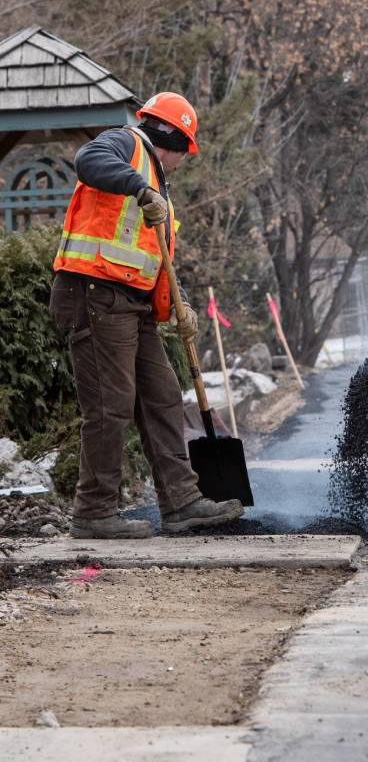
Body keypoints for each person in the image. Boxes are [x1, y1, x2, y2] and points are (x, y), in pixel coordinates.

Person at [50, 92, 244, 538]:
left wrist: (182, 304)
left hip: (132, 305)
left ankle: (181, 501)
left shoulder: (157, 185)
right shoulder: (123, 144)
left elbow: (155, 259)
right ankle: (93, 512)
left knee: (162, 397)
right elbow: (87, 159)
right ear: (174, 142)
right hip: (95, 293)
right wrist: (140, 188)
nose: (181, 163)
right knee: (109, 406)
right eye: (185, 153)